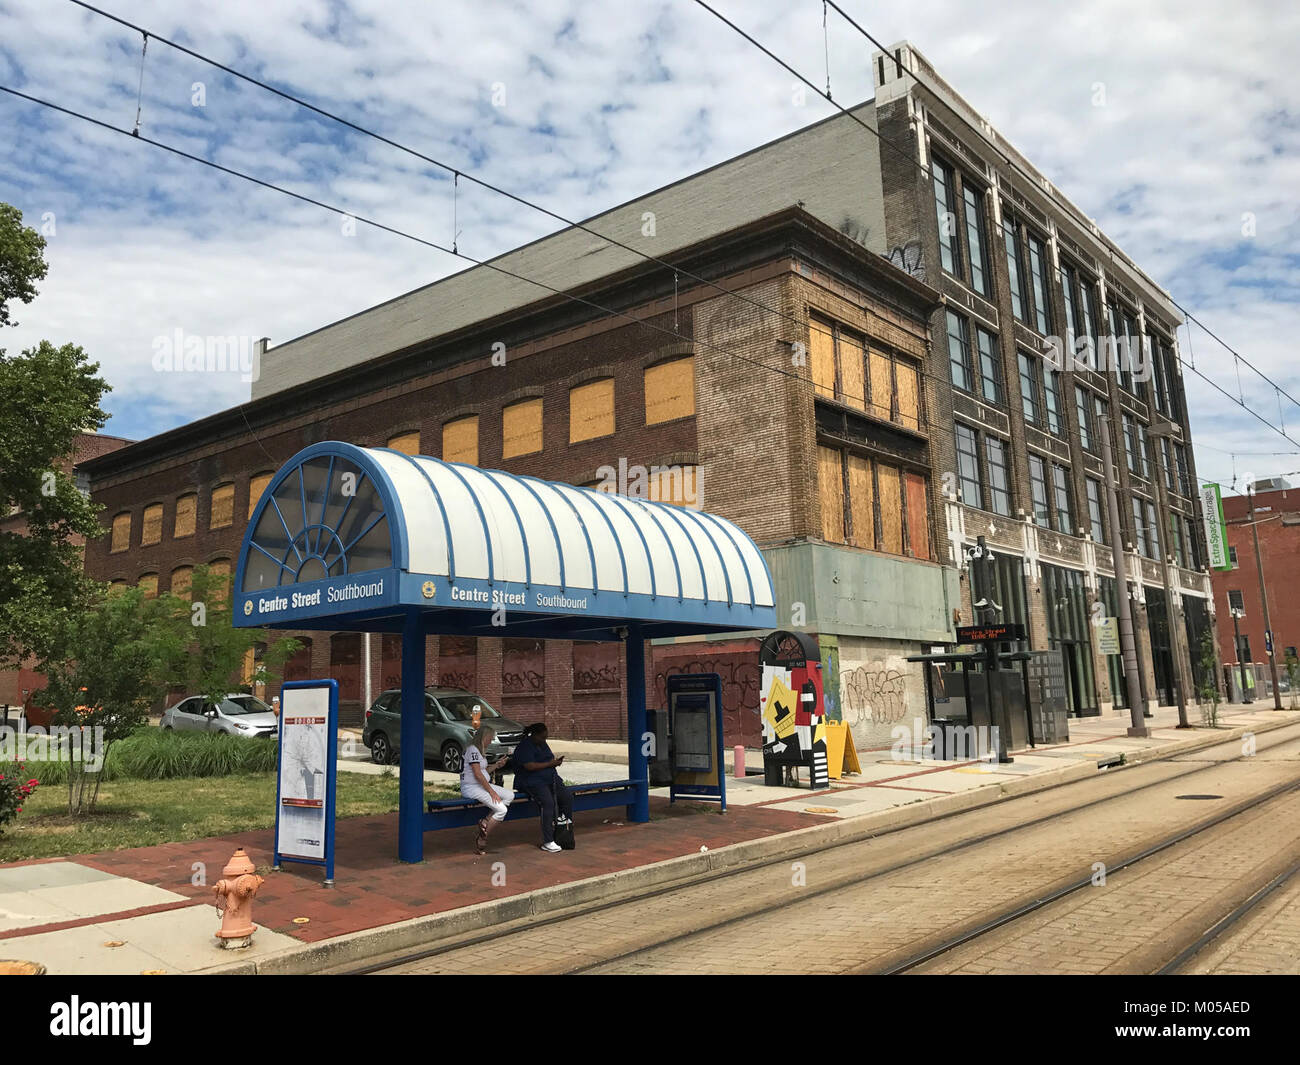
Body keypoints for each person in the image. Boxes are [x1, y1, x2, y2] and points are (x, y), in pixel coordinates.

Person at [512, 722, 572, 853]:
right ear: (534, 735)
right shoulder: (525, 746)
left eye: (546, 737)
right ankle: (548, 840)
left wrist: (555, 763)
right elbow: (530, 766)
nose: (544, 740)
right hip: (531, 781)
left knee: (566, 797)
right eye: (542, 737)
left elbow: (548, 759)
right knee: (548, 803)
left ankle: (563, 830)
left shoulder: (542, 744)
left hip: (550, 777)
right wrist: (549, 764)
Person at [459, 725, 513, 854]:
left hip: (480, 785)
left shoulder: (479, 751)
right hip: (471, 787)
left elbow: (483, 771)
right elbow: (478, 775)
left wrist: (497, 765)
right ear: (484, 737)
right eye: (491, 738)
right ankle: (482, 837)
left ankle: (485, 821)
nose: (491, 740)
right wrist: (491, 792)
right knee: (501, 810)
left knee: (509, 795)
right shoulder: (472, 750)